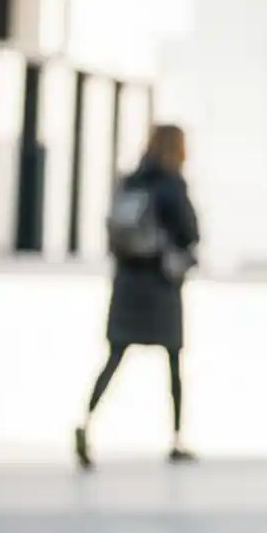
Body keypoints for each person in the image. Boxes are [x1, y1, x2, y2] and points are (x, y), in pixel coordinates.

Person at [75, 124, 200, 470]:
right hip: (161, 284)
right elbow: (190, 231)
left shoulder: (131, 181)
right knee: (173, 363)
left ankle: (86, 421)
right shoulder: (171, 186)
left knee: (114, 357)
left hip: (128, 283)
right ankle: (176, 439)